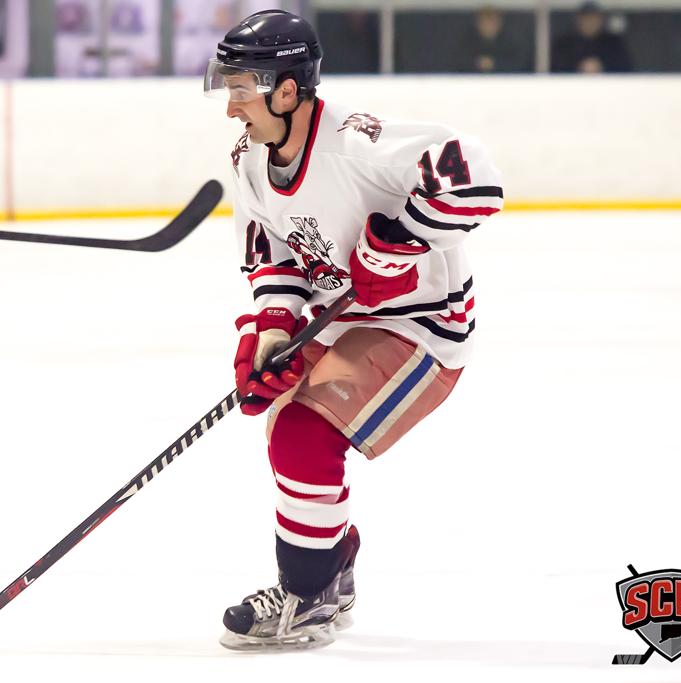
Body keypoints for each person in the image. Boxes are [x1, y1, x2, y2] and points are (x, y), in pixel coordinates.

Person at [204, 10, 503, 651]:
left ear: (287, 89)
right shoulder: (251, 158)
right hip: (352, 320)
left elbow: (472, 172)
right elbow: (274, 256)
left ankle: (307, 594)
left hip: (423, 324)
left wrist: (397, 243)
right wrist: (272, 332)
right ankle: (330, 573)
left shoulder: (357, 140)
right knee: (282, 416)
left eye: (240, 89)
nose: (231, 107)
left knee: (303, 432)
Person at [551, 1, 632, 73]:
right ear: (577, 19)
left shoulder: (613, 43)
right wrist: (579, 69)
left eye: (594, 18)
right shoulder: (564, 43)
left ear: (601, 19)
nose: (590, 22)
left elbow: (626, 68)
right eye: (586, 18)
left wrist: (601, 68)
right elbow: (555, 70)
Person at [459, 5, 533, 73]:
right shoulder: (467, 42)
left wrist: (495, 65)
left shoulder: (511, 42)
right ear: (478, 23)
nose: (488, 26)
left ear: (499, 22)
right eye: (485, 22)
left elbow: (519, 66)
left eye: (492, 21)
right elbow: (459, 65)